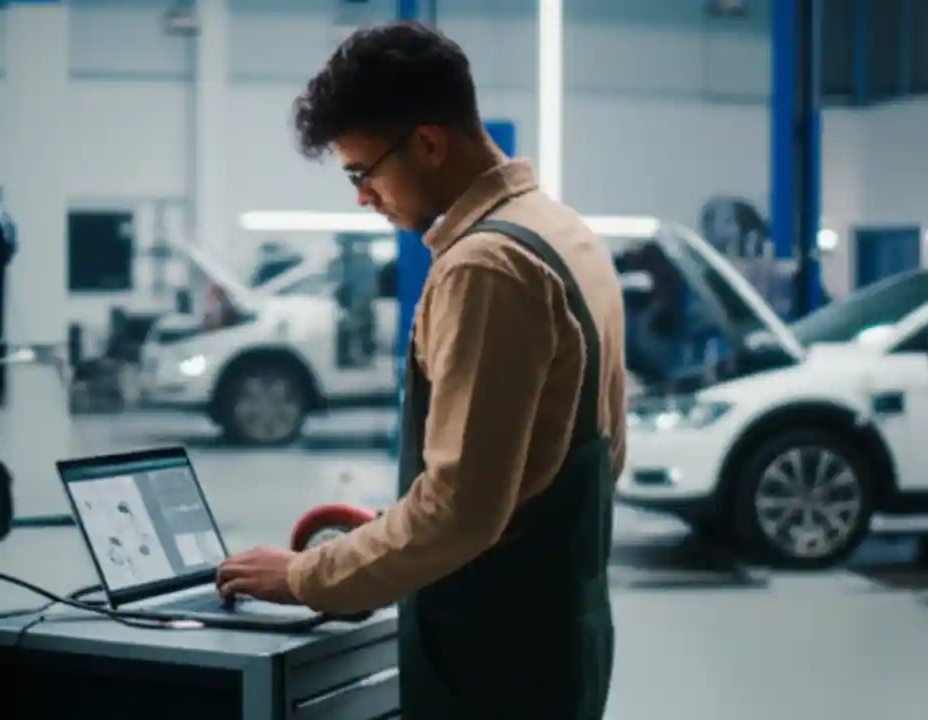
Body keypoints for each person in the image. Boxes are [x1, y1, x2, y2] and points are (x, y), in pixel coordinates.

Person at [215, 21, 628, 718]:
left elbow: (460, 515)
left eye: (362, 172)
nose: (362, 197)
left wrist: (307, 576)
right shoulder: (561, 229)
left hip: (493, 651)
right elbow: (580, 452)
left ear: (430, 144)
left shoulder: (485, 267)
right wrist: (398, 529)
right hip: (562, 627)